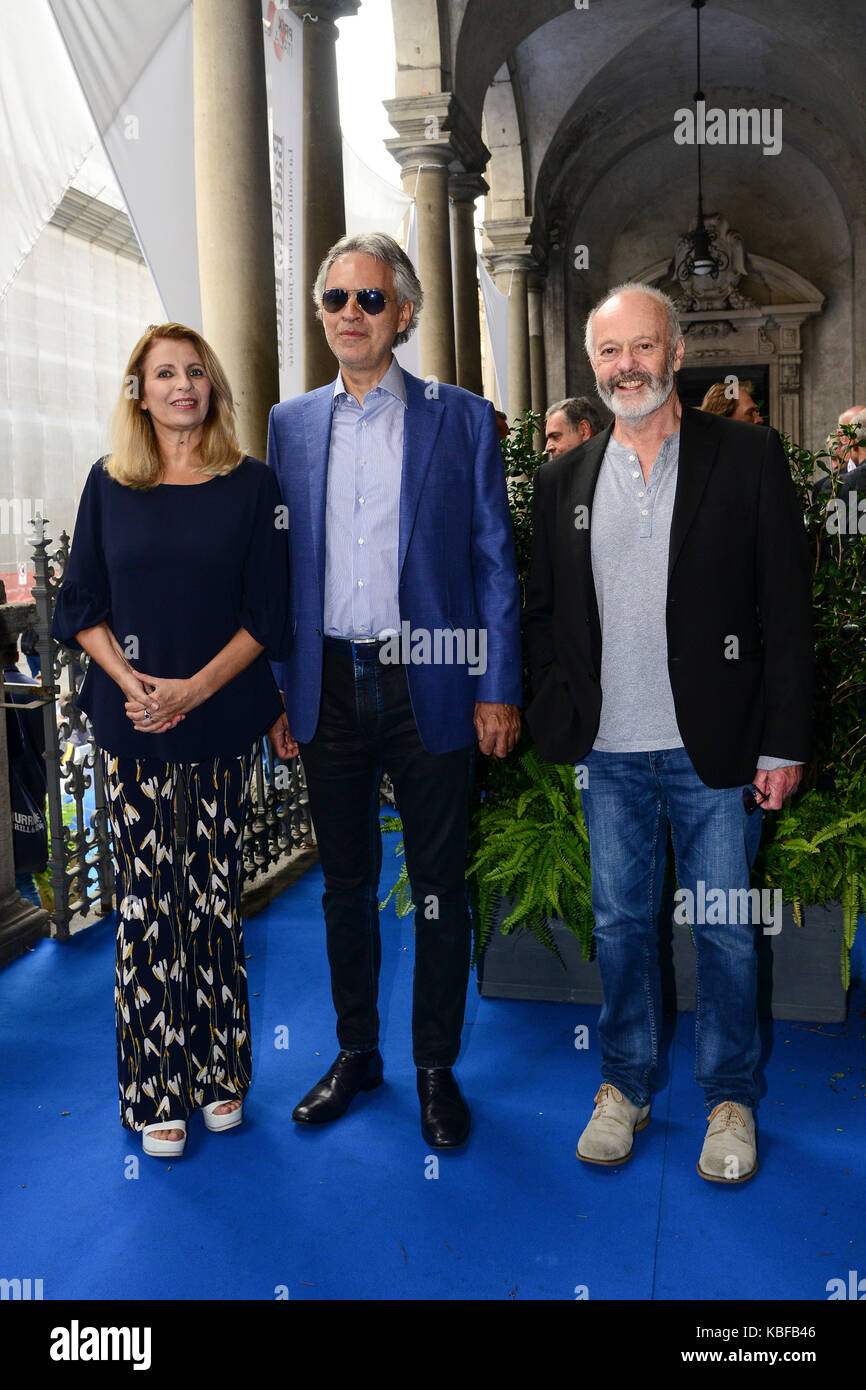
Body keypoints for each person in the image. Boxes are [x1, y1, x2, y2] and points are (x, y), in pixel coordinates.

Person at [523, 283, 813, 1183]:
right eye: (609, 353)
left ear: (677, 353)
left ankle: (730, 1098)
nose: (626, 367)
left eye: (642, 348)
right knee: (620, 927)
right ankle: (626, 1085)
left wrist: (783, 741)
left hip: (716, 751)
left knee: (724, 931)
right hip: (608, 753)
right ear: (593, 363)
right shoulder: (562, 478)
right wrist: (552, 710)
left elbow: (786, 612)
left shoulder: (748, 457)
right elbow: (543, 612)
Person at [267, 232, 521, 1148]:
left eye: (369, 300)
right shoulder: (289, 424)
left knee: (442, 885)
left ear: (404, 314)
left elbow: (493, 558)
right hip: (328, 683)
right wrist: (282, 690)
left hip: (434, 683)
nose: (349, 315)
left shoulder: (461, 418)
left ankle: (434, 1067)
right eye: (334, 299)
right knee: (344, 886)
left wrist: (496, 685)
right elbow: (279, 568)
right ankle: (357, 1052)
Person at [51, 323, 290, 1159]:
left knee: (214, 898)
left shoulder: (251, 486)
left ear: (213, 388)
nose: (183, 385)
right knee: (149, 908)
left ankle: (220, 1072)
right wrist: (132, 685)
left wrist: (191, 689)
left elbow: (268, 616)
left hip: (220, 724)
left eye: (195, 372)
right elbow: (78, 602)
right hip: (133, 729)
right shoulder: (107, 485)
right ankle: (156, 1089)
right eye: (164, 373)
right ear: (139, 391)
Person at [3, 641, 47, 907]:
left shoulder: (11, 689)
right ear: (17, 655)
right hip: (33, 782)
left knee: (16, 878)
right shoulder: (31, 687)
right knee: (23, 874)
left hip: (12, 783)